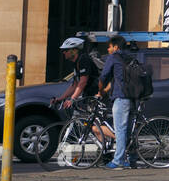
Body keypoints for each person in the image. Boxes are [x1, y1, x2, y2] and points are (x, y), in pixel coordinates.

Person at [99, 35, 135, 170]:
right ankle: (130, 159)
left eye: (109, 47)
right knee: (128, 131)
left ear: (115, 47)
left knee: (120, 130)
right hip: (133, 97)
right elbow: (117, 79)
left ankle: (118, 160)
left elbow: (104, 76)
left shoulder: (114, 57)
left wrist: (100, 90)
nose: (108, 49)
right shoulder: (129, 57)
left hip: (121, 98)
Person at [51, 37, 99, 111]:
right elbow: (74, 85)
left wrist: (72, 99)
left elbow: (83, 82)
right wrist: (60, 99)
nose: (63, 52)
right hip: (89, 95)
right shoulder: (76, 63)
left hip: (96, 94)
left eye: (66, 50)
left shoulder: (83, 60)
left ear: (74, 50)